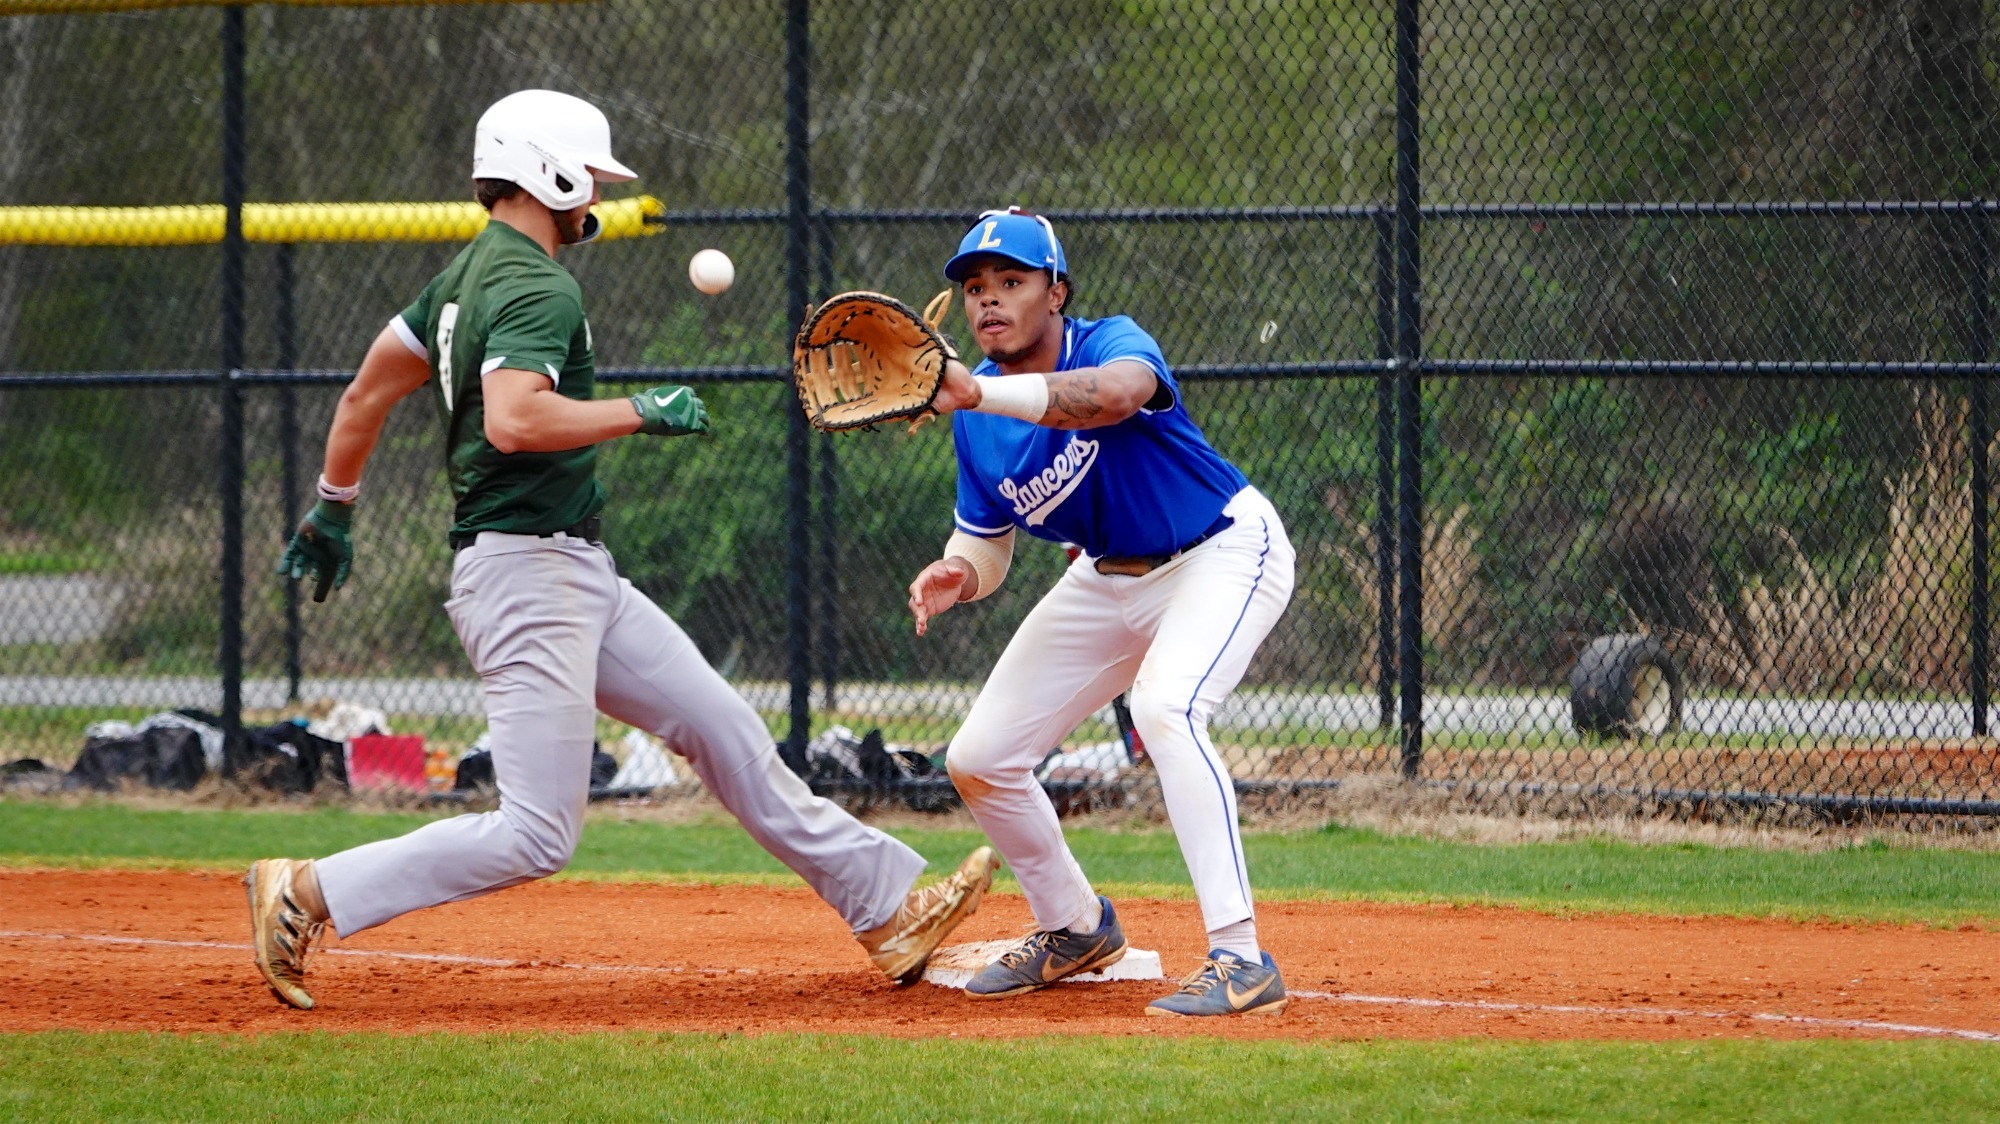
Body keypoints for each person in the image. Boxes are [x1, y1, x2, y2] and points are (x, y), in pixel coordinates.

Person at [248, 89, 995, 1010]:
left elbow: (364, 396)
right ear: (545, 170)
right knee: (535, 834)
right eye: (586, 175)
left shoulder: (462, 283)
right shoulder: (532, 283)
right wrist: (642, 410)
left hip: (569, 571)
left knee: (724, 733)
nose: (592, 194)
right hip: (526, 575)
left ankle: (886, 910)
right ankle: (308, 891)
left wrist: (333, 506)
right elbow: (517, 420)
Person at [905, 207, 1296, 1017]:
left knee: (1166, 709)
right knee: (980, 756)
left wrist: (976, 390)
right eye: (976, 287)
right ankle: (1076, 928)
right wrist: (958, 571)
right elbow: (987, 543)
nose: (989, 300)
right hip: (1106, 582)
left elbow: (1117, 398)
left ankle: (1241, 959)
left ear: (1058, 293)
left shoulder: (1111, 341)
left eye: (1012, 281)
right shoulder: (975, 424)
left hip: (1219, 550)